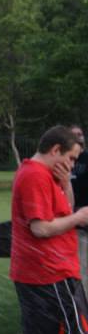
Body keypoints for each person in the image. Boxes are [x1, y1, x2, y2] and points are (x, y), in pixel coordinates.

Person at [11, 125, 88, 334]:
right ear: (56, 150)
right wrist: (79, 218)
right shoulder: (34, 176)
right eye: (71, 158)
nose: (73, 164)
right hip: (50, 272)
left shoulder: (46, 176)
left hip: (35, 271)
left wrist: (66, 182)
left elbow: (62, 208)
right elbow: (40, 228)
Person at [69, 125, 88, 296]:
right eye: (74, 135)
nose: (78, 137)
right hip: (73, 222)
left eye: (80, 134)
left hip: (84, 218)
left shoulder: (87, 158)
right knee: (80, 267)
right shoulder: (64, 160)